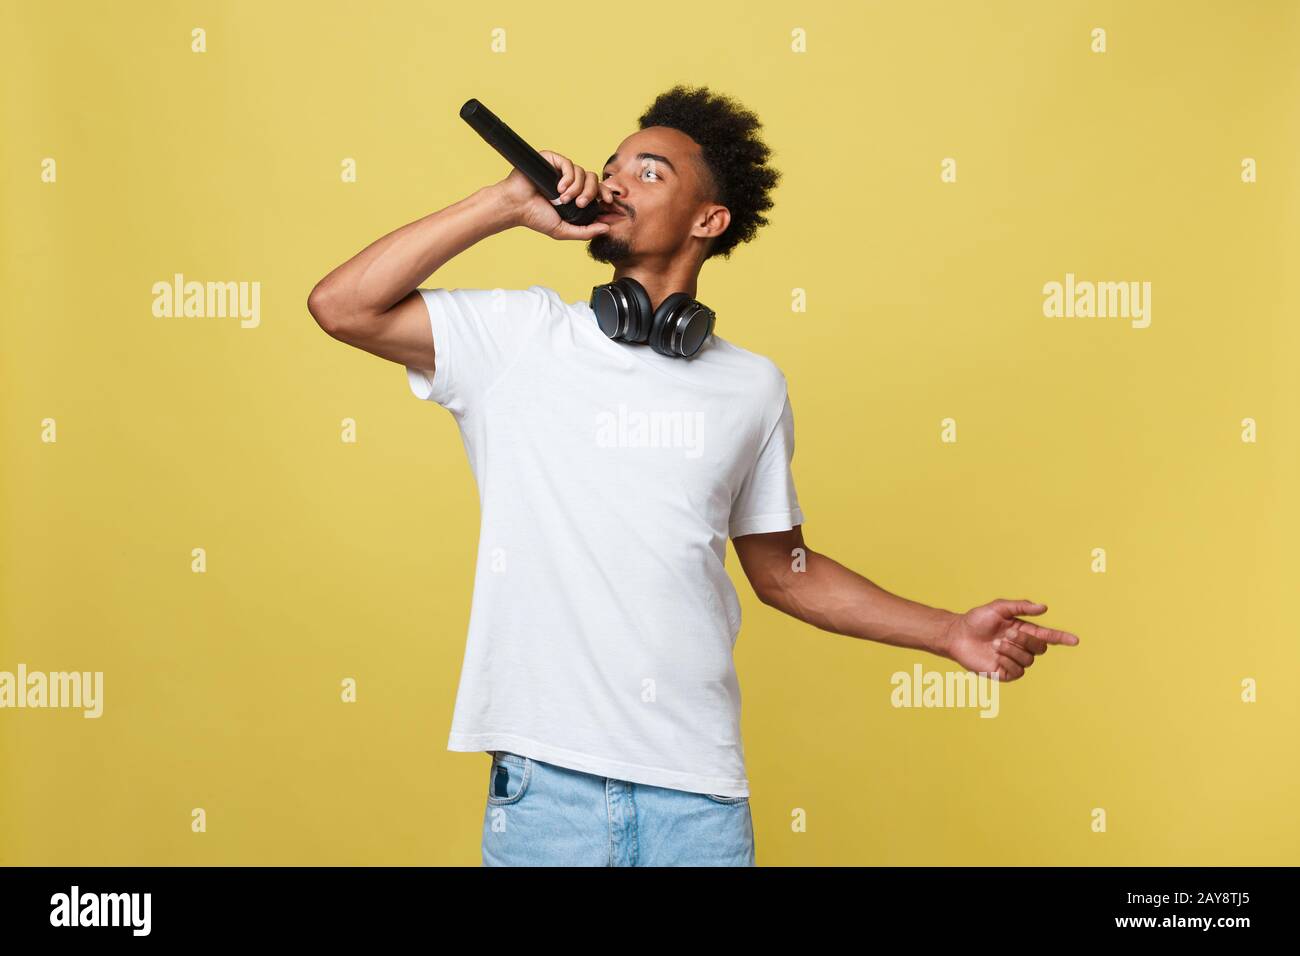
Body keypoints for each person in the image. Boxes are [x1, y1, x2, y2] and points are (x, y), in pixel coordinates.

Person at [306, 85, 1080, 866]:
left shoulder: (751, 386)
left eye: (648, 172)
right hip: (546, 792)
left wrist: (947, 631)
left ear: (710, 221)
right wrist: (505, 202)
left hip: (697, 797)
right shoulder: (519, 340)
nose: (613, 182)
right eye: (610, 168)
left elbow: (786, 574)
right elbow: (344, 306)